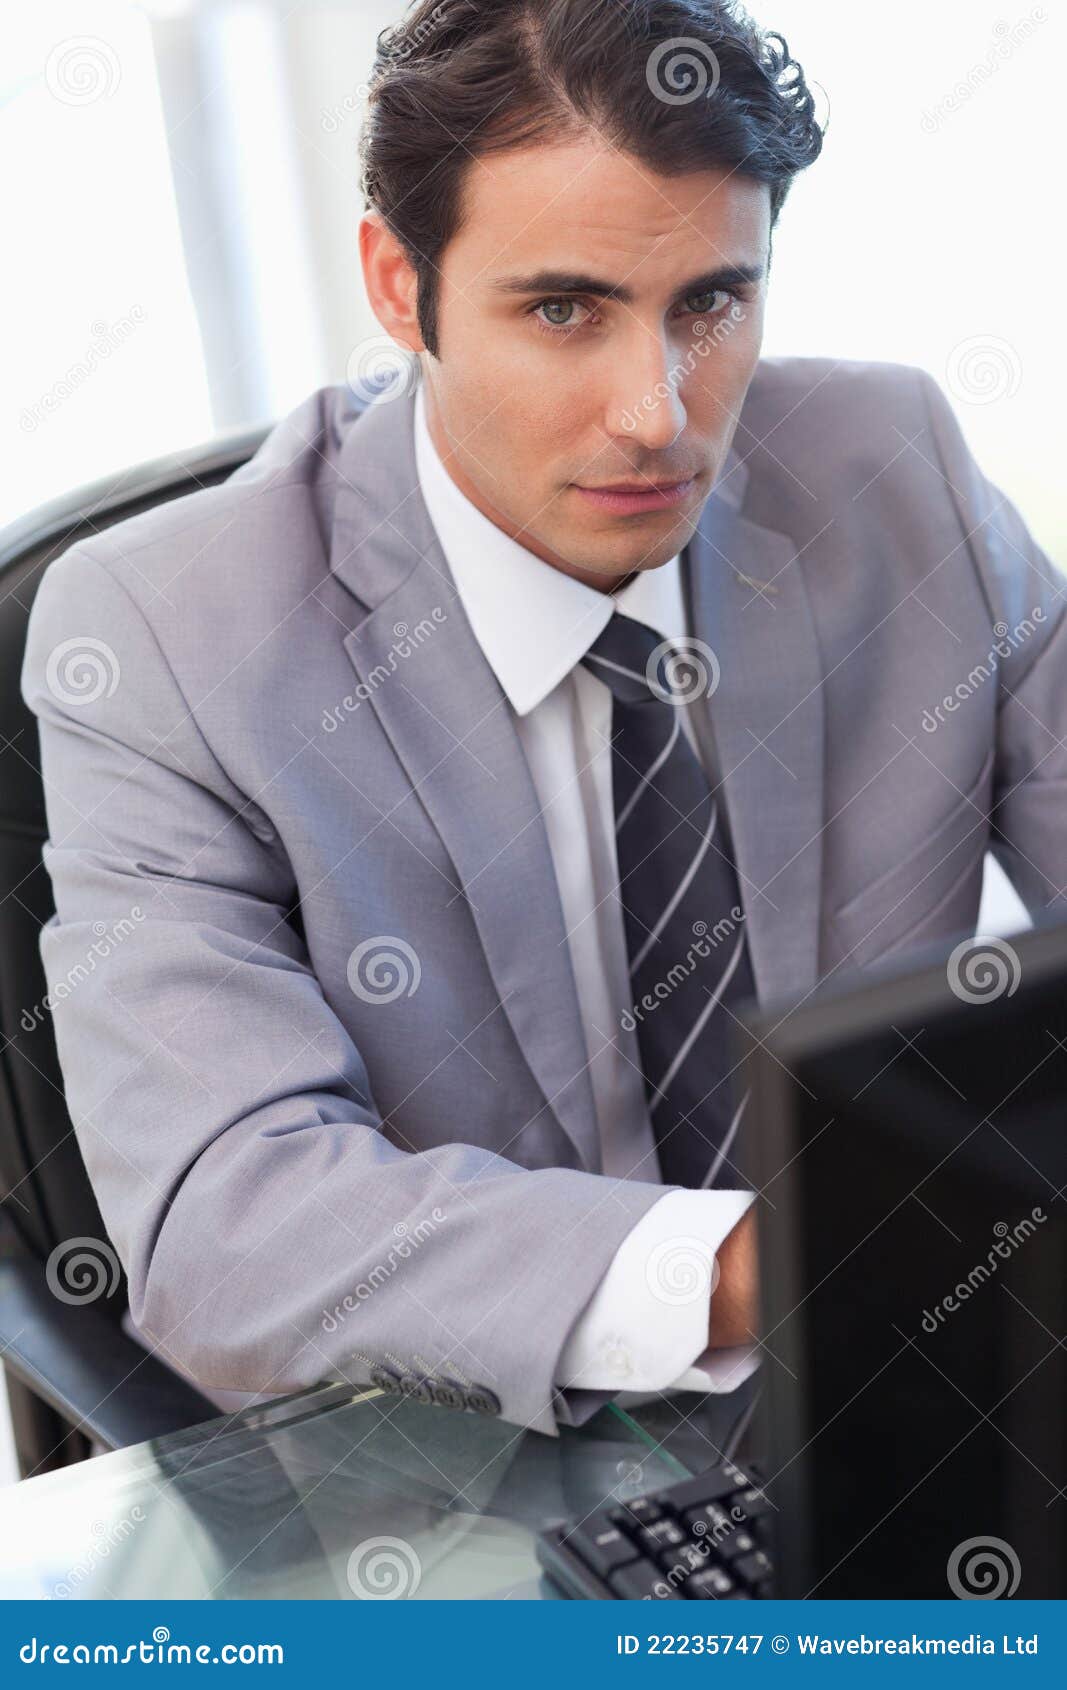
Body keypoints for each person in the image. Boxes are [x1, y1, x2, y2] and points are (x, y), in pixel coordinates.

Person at [21, 0, 1066, 1436]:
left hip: (925, 1402)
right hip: (464, 1470)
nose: (657, 413)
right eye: (563, 309)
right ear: (401, 285)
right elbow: (227, 1218)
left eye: (709, 302)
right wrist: (772, 1266)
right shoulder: (166, 634)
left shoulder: (897, 474)